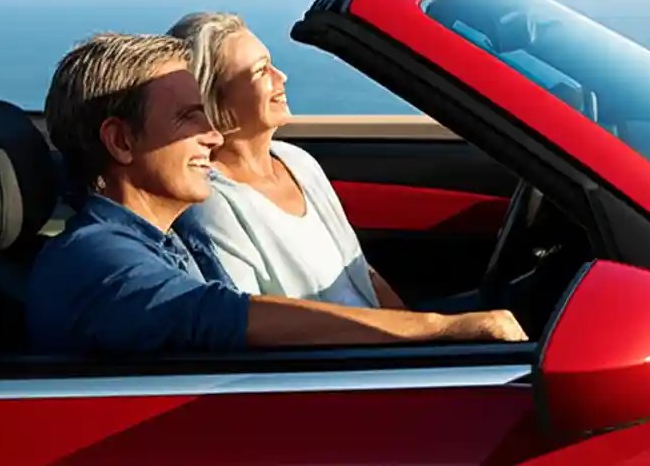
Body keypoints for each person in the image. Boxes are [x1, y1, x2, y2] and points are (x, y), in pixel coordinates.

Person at [26, 32, 526, 354]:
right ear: (121, 140)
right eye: (187, 118)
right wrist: (443, 331)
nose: (214, 136)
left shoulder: (163, 239)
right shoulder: (96, 261)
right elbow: (229, 320)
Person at [166, 12, 400, 309]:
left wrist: (427, 334)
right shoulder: (210, 201)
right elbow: (259, 321)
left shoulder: (298, 162)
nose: (281, 77)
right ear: (213, 98)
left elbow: (364, 276)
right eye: (261, 71)